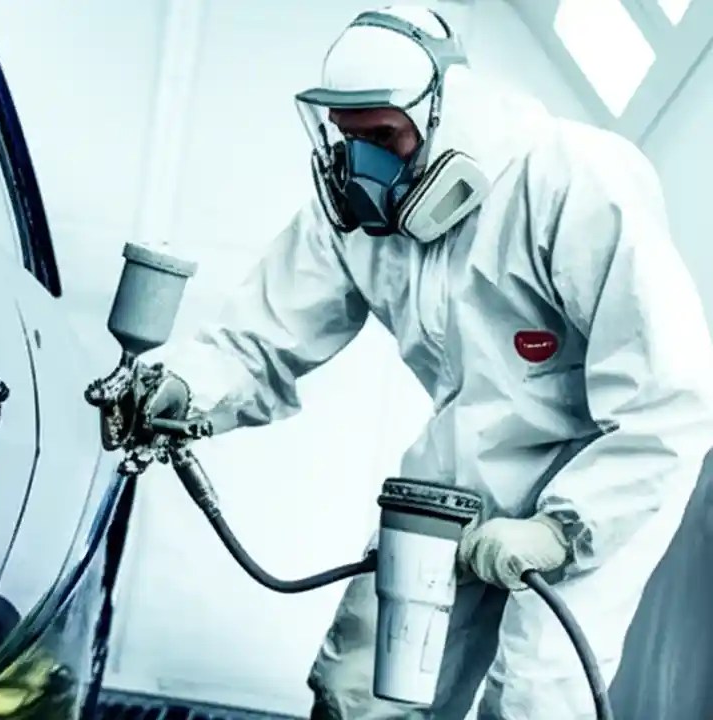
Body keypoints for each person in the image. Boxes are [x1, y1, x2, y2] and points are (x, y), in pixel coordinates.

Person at [97, 5, 713, 719]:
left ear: (444, 116)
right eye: (347, 139)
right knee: (362, 686)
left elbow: (669, 401)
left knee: (537, 700)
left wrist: (563, 530)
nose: (363, 165)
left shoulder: (571, 180)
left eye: (383, 137)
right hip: (460, 466)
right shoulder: (359, 218)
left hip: (598, 478)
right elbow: (261, 336)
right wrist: (184, 386)